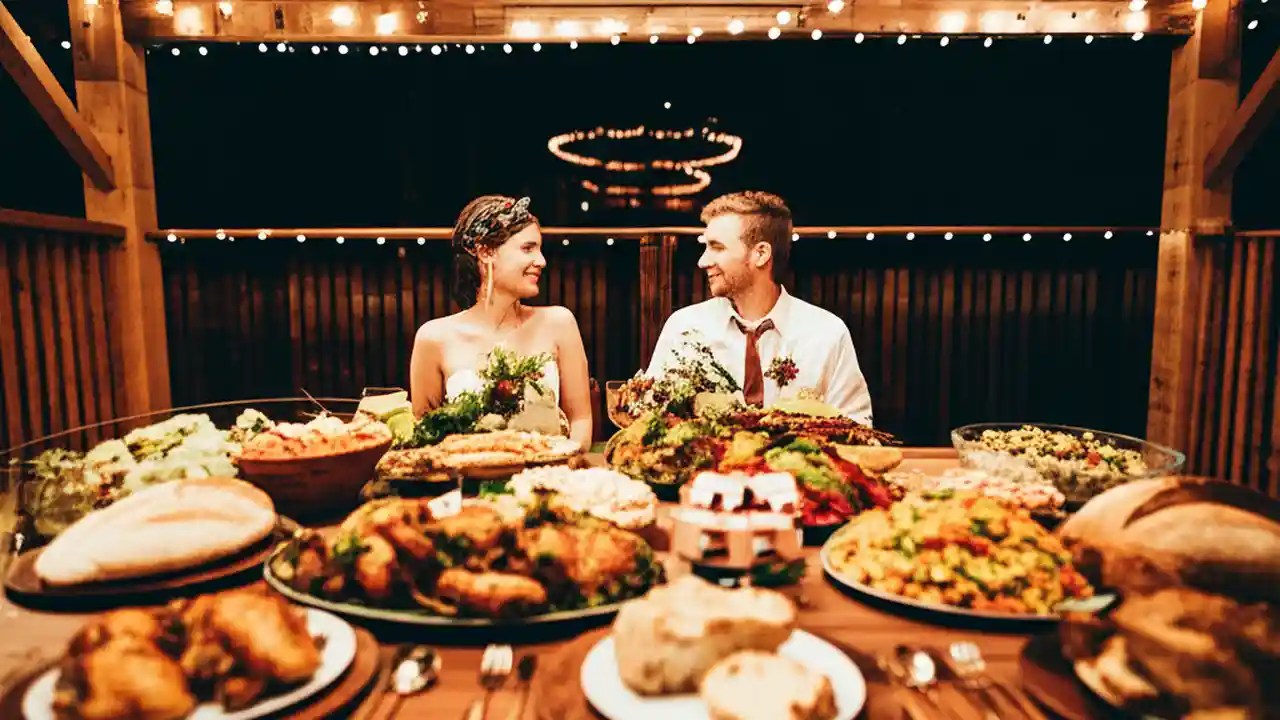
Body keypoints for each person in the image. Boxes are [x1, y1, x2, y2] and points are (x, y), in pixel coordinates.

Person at [645, 191, 874, 424]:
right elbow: (649, 423)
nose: (703, 261)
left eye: (717, 247)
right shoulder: (684, 327)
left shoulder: (827, 334)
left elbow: (858, 428)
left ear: (761, 254)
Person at [409, 195, 594, 448]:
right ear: (486, 252)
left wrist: (563, 470)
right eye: (528, 249)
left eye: (540, 249)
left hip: (546, 477)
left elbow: (581, 421)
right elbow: (425, 434)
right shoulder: (433, 338)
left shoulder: (559, 323)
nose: (541, 261)